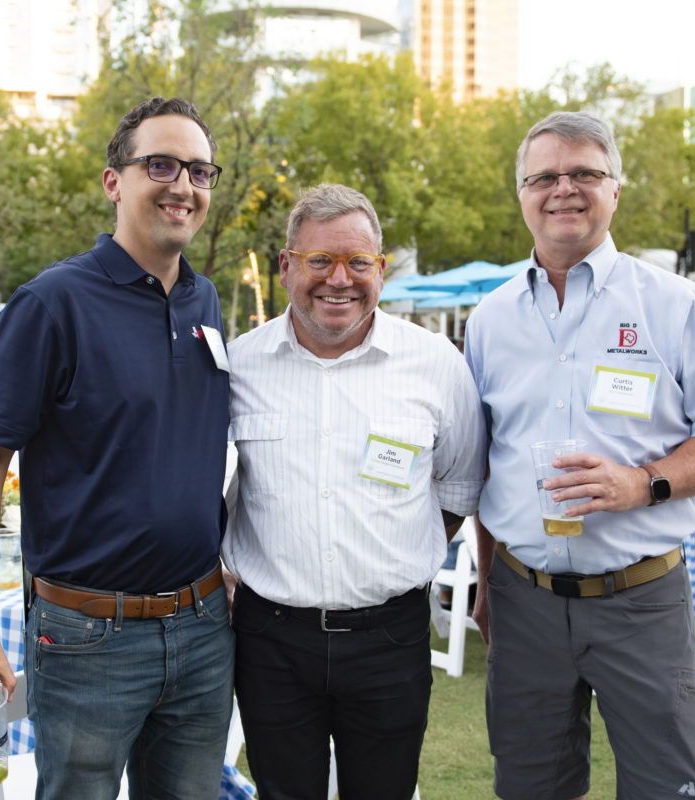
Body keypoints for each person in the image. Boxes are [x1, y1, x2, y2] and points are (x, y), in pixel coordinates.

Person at [0, 97, 233, 799]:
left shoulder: (205, 301)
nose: (183, 185)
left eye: (199, 170)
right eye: (160, 164)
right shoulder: (49, 304)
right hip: (88, 637)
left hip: (203, 629)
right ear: (114, 182)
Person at [464, 110, 695, 799]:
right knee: (531, 787)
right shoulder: (489, 321)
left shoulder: (677, 306)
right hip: (524, 598)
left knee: (666, 788)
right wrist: (485, 583)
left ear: (615, 190)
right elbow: (487, 465)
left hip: (642, 597)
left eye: (584, 173)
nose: (563, 188)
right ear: (522, 194)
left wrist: (643, 483)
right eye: (545, 176)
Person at [222, 183, 486, 799]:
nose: (339, 279)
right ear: (287, 265)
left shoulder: (436, 364)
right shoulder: (239, 365)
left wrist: (396, 550)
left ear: (381, 270)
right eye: (320, 261)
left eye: (358, 263)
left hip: (390, 637)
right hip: (270, 641)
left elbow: (459, 484)